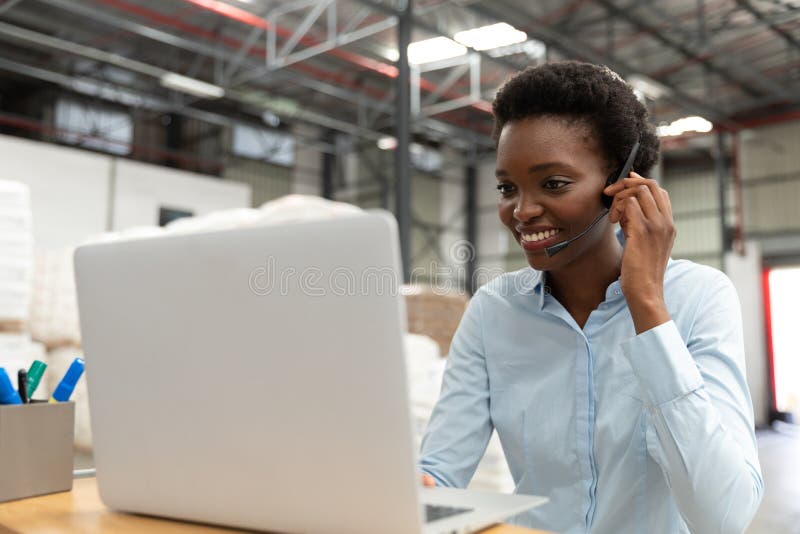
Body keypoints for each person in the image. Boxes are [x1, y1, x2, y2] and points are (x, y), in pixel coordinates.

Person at [418, 61, 763, 533]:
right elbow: (439, 473)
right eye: (507, 188)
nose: (522, 210)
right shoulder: (493, 312)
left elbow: (724, 517)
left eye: (553, 183)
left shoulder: (699, 297)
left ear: (623, 185)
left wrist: (647, 306)